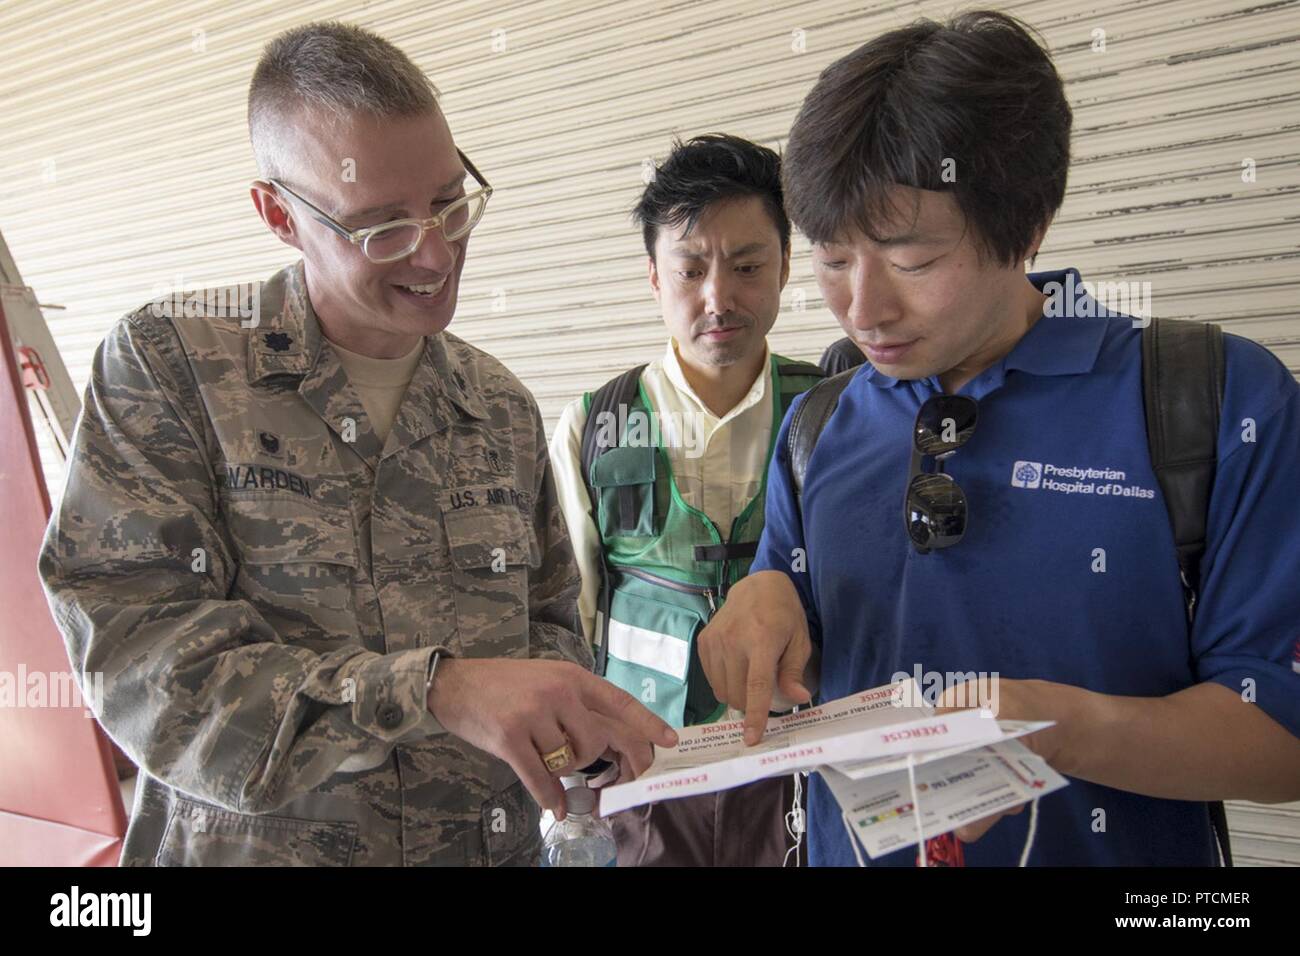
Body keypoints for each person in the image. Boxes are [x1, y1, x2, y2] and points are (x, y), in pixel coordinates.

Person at [39, 20, 673, 867]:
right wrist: (432, 690)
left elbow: (548, 630)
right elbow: (143, 663)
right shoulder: (173, 365)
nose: (437, 252)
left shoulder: (498, 406)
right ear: (278, 215)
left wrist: (580, 735)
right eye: (382, 227)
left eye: (451, 202)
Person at [698, 10, 1300, 866]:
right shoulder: (818, 422)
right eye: (833, 260)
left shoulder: (1212, 398)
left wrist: (1060, 729)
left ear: (1025, 228)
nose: (864, 310)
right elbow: (794, 618)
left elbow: (1282, 734)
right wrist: (765, 600)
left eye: (910, 261)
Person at [549, 135, 823, 865]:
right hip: (644, 765)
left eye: (747, 266)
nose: (718, 298)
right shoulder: (594, 423)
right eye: (691, 269)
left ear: (786, 267)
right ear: (653, 277)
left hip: (797, 763)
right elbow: (563, 613)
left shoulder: (835, 413)